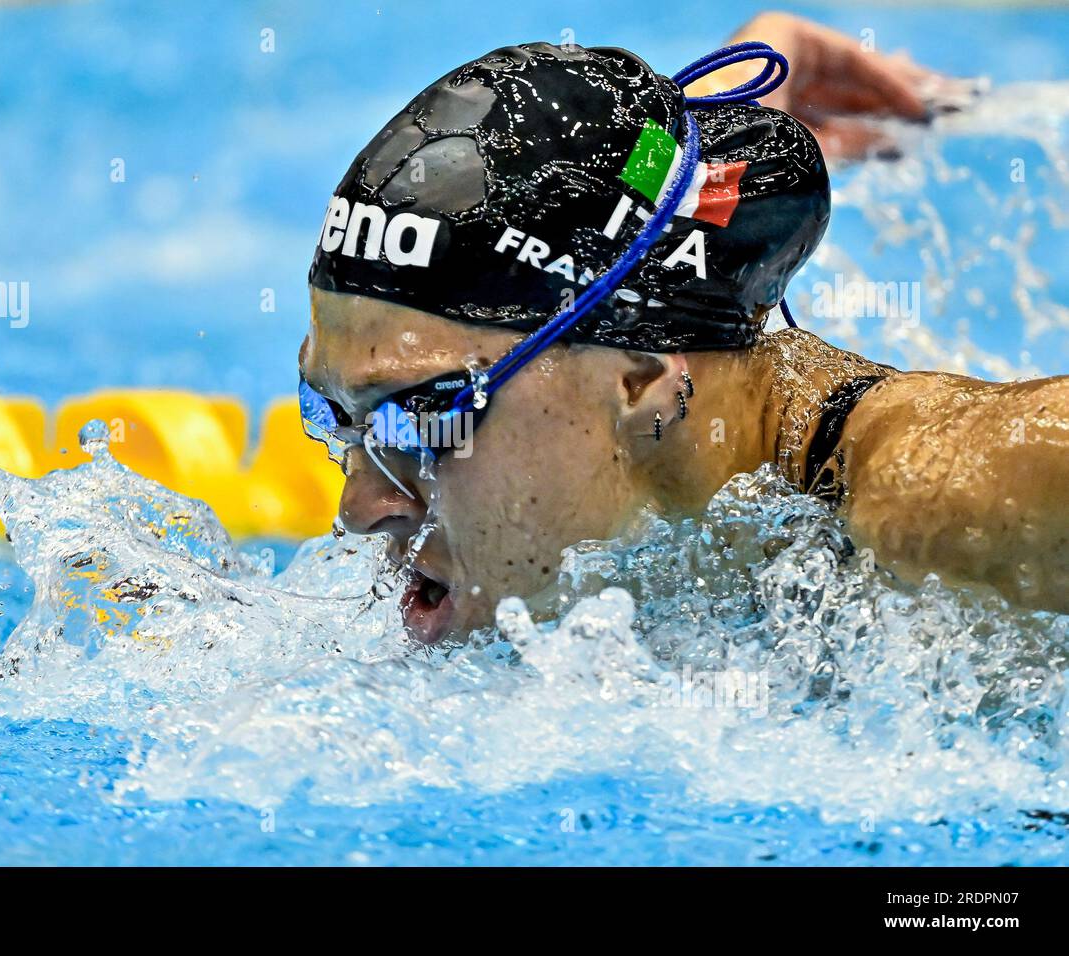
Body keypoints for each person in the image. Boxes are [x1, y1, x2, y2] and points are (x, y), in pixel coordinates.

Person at [298, 14, 1069, 644]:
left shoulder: (944, 501)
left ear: (640, 378)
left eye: (427, 415)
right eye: (335, 413)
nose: (361, 507)